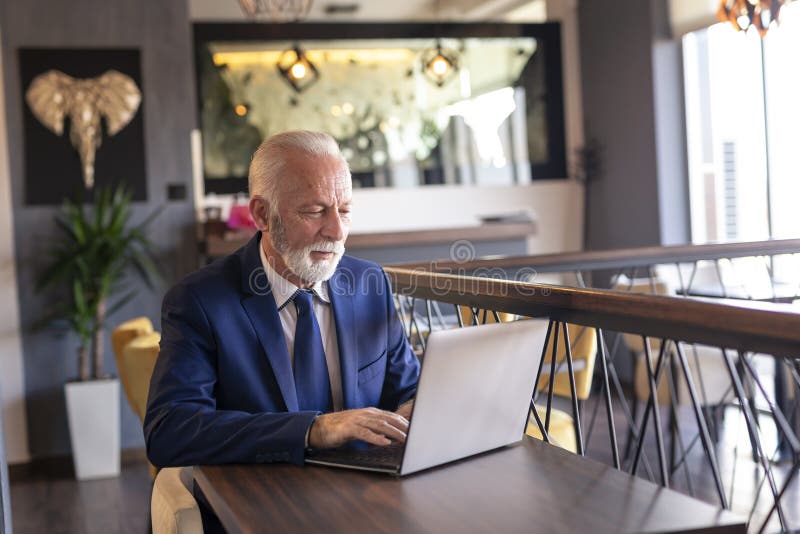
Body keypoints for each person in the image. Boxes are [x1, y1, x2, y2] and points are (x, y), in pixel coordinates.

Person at [143, 130, 420, 472]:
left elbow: (409, 389)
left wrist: (413, 413)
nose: (336, 231)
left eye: (344, 210)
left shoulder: (369, 283)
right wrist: (312, 430)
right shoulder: (200, 302)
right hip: (262, 503)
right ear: (261, 215)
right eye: (315, 211)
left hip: (366, 496)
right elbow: (170, 432)